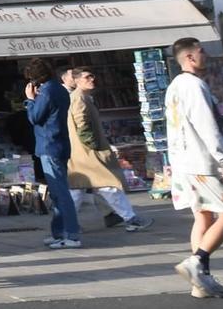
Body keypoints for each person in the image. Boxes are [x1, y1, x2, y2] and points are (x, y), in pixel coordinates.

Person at [165, 37, 223, 298]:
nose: (205, 55)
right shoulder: (194, 86)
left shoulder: (174, 86)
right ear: (189, 57)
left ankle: (201, 282)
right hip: (200, 162)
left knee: (204, 217)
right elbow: (206, 126)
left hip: (182, 161)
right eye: (201, 51)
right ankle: (197, 262)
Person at [68, 68, 148, 231]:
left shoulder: (81, 97)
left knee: (77, 189)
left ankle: (65, 224)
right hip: (88, 153)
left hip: (81, 153)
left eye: (93, 75)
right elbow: (81, 123)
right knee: (108, 185)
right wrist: (93, 144)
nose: (92, 79)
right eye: (87, 77)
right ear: (77, 80)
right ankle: (130, 218)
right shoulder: (79, 99)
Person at [24, 58, 83, 249]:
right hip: (59, 143)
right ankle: (59, 232)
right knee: (58, 193)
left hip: (49, 144)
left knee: (61, 192)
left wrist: (30, 100)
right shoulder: (58, 88)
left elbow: (35, 117)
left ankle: (72, 234)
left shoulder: (47, 91)